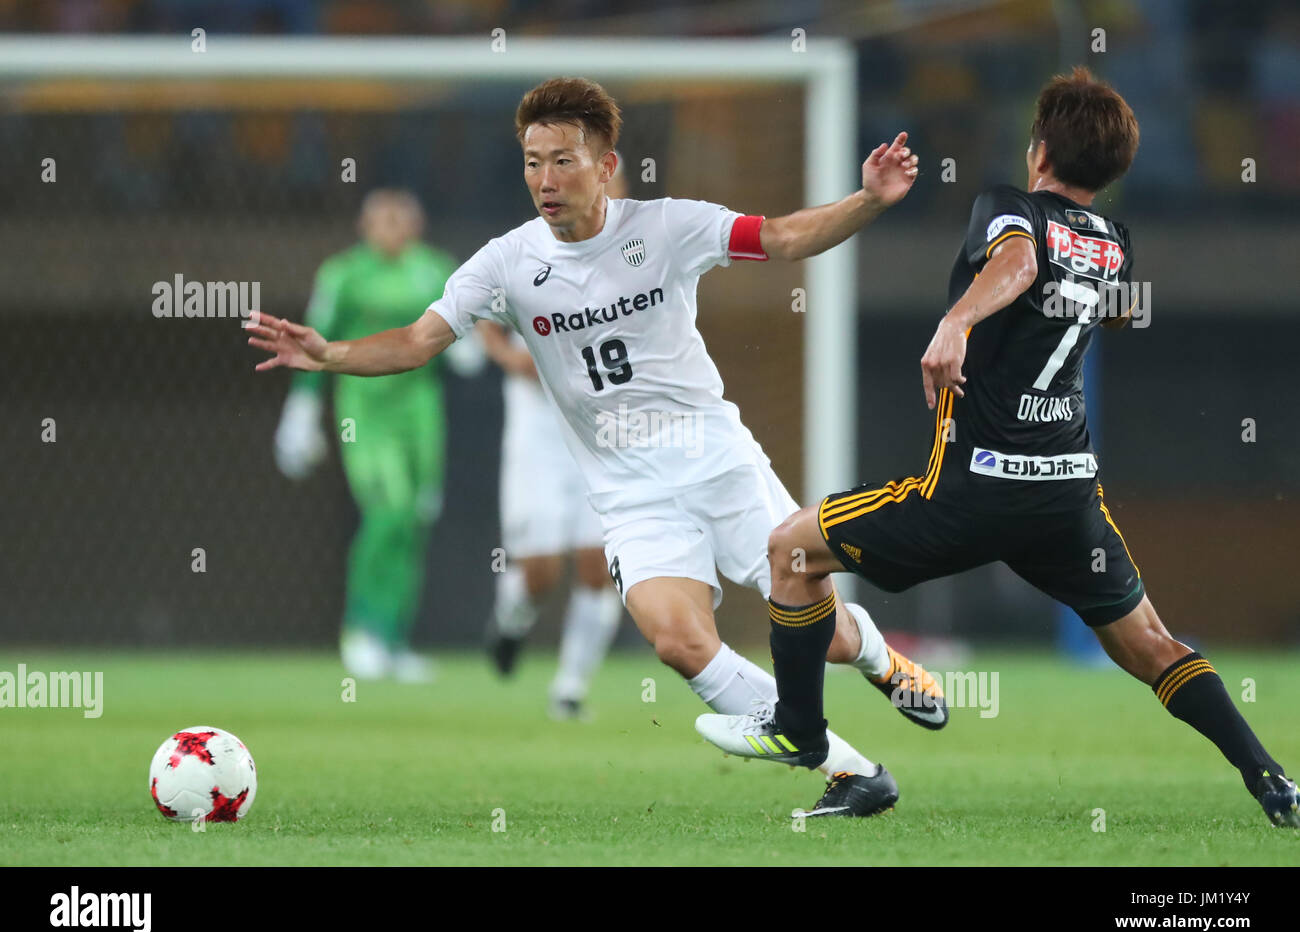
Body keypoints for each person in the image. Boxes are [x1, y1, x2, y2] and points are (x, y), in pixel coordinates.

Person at [248, 76, 941, 817]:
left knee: (824, 632)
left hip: (715, 460)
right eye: (531, 161)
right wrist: (329, 354)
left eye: (562, 161)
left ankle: (880, 657)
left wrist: (867, 199)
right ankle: (850, 769)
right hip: (627, 490)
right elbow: (419, 341)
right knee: (678, 641)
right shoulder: (506, 262)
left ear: (606, 165)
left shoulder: (669, 227)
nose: (544, 181)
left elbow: (781, 237)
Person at [697, 67, 1300, 828]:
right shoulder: (1115, 243)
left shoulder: (1008, 207)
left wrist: (957, 321)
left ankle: (799, 729)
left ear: (1039, 148)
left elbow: (1017, 261)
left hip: (971, 492)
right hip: (1066, 499)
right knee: (1151, 644)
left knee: (790, 549)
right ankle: (1272, 779)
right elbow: (1111, 313)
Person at [272, 189, 461, 682]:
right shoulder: (344, 274)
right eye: (384, 219)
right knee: (388, 511)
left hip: (421, 412)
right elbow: (315, 341)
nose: (394, 227)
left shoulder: (436, 268)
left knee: (414, 520)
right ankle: (362, 629)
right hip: (366, 409)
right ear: (365, 225)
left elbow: (467, 324)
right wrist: (302, 407)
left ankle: (394, 639)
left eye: (403, 218)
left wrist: (475, 341)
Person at [477, 158, 631, 721]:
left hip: (600, 435)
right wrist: (508, 358)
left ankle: (569, 690)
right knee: (539, 571)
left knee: (598, 562)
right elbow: (482, 315)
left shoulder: (639, 260)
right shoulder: (525, 252)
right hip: (539, 436)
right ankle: (512, 621)